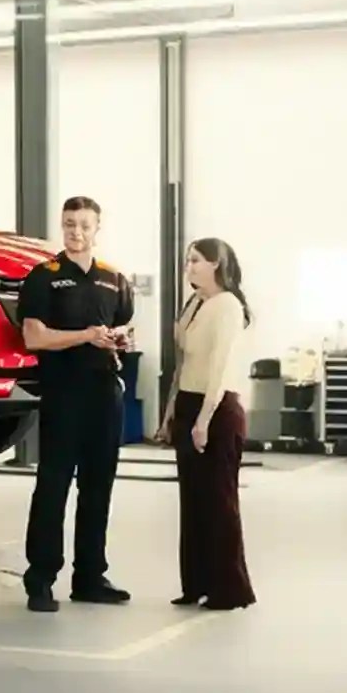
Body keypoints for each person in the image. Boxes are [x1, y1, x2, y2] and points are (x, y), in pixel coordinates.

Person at [16, 195, 134, 613]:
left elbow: (124, 326)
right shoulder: (43, 277)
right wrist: (85, 335)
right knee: (54, 484)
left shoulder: (114, 278)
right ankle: (40, 580)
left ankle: (90, 577)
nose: (76, 232)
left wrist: (121, 339)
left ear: (97, 228)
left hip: (105, 392)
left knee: (98, 486)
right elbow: (33, 336)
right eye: (69, 224)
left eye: (84, 225)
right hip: (63, 392)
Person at [156, 237, 257, 611]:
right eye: (188, 260)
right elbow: (182, 365)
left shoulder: (228, 306)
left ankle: (229, 589)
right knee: (193, 501)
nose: (190, 266)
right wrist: (170, 413)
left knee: (219, 502)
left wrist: (203, 421)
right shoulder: (195, 304)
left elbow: (220, 369)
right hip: (187, 402)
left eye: (196, 260)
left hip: (216, 408)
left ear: (216, 264)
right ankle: (195, 583)